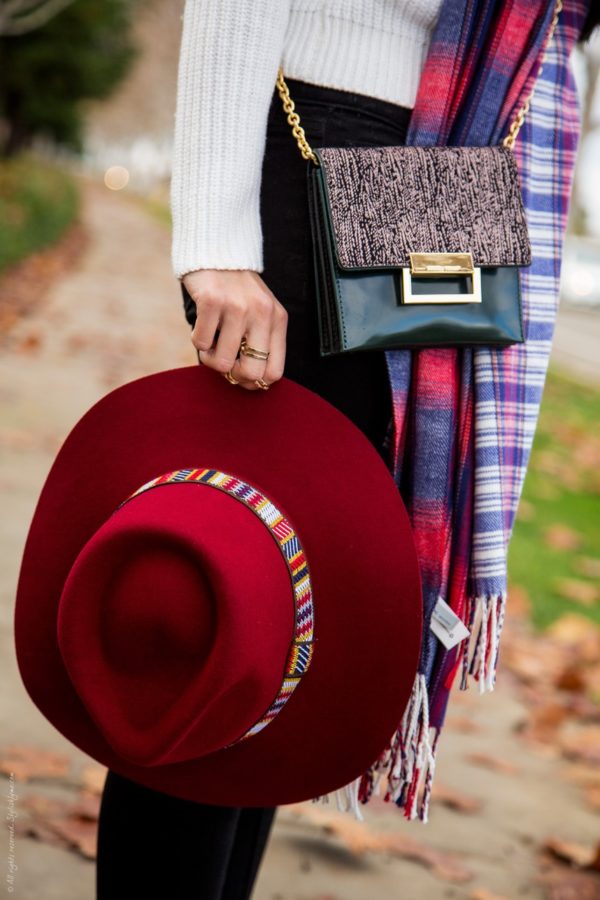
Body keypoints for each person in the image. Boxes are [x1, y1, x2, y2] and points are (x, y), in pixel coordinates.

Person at [96, 1, 599, 898]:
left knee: (296, 623)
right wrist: (213, 237)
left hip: (459, 160)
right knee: (225, 609)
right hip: (325, 124)